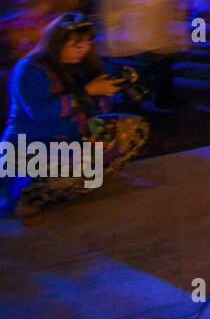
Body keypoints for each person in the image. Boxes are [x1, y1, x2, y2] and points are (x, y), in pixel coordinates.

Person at [2, 13, 150, 221]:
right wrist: (87, 92)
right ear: (56, 43)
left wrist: (108, 93)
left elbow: (91, 107)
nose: (84, 50)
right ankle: (26, 197)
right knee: (80, 165)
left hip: (73, 136)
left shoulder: (76, 63)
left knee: (135, 128)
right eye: (76, 46)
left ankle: (80, 179)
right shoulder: (29, 70)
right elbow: (41, 114)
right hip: (30, 146)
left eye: (87, 44)